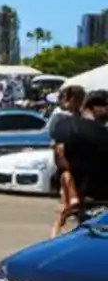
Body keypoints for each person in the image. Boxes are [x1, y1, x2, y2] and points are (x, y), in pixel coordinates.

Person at [51, 89, 108, 227]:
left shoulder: (63, 125)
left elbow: (59, 155)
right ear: (93, 107)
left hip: (76, 196)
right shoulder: (101, 134)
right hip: (96, 198)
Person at [48, 85, 87, 235]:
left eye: (64, 98)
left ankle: (56, 231)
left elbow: (56, 141)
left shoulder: (63, 117)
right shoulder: (80, 117)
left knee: (65, 203)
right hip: (76, 163)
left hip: (70, 164)